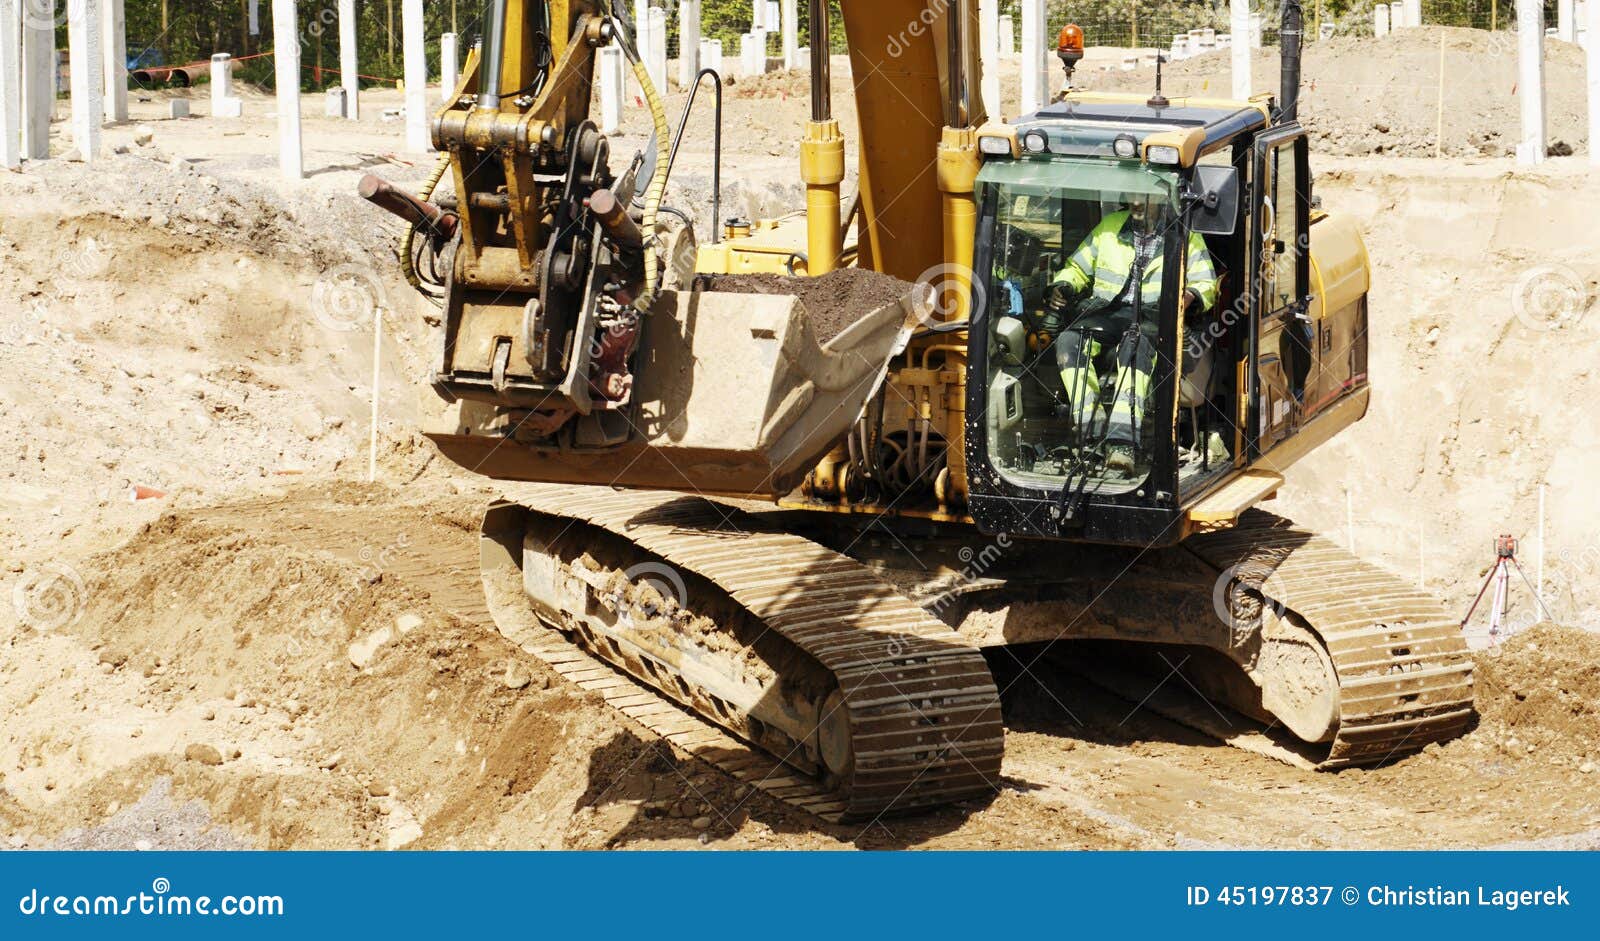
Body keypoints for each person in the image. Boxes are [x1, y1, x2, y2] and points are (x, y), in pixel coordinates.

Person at [1048, 194, 1217, 474]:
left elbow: (1206, 283)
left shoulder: (1184, 234)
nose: (1136, 202)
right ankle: (1091, 432)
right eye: (1132, 195)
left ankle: (1122, 442)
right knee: (1069, 340)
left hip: (1154, 316)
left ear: (1162, 198)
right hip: (1107, 312)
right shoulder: (1110, 226)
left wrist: (1190, 295)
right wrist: (1063, 284)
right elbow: (1077, 267)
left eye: (1144, 196)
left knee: (1135, 345)